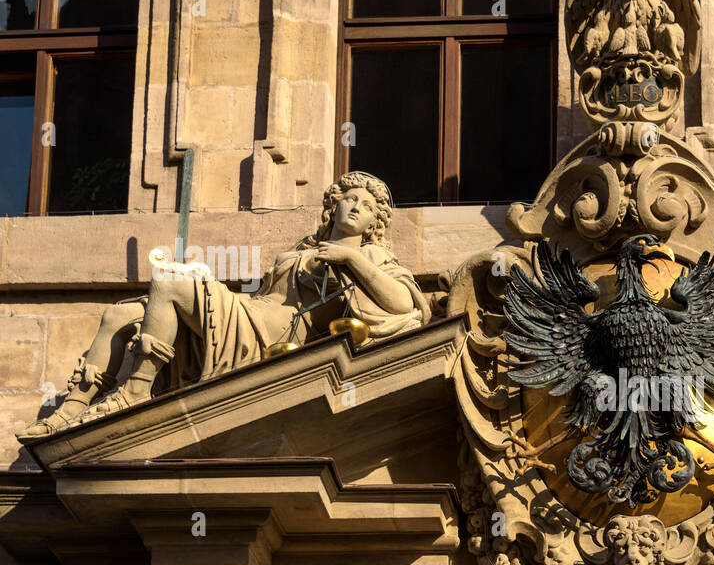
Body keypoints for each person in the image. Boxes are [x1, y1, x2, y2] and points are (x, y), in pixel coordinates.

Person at [18, 171, 429, 440]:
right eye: (350, 198)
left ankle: (136, 392)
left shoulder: (373, 259)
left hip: (271, 334)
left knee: (170, 281)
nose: (356, 206)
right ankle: (68, 410)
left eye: (367, 205)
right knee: (117, 314)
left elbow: (404, 306)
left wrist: (352, 260)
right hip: (248, 310)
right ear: (333, 205)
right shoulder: (302, 250)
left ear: (375, 222)